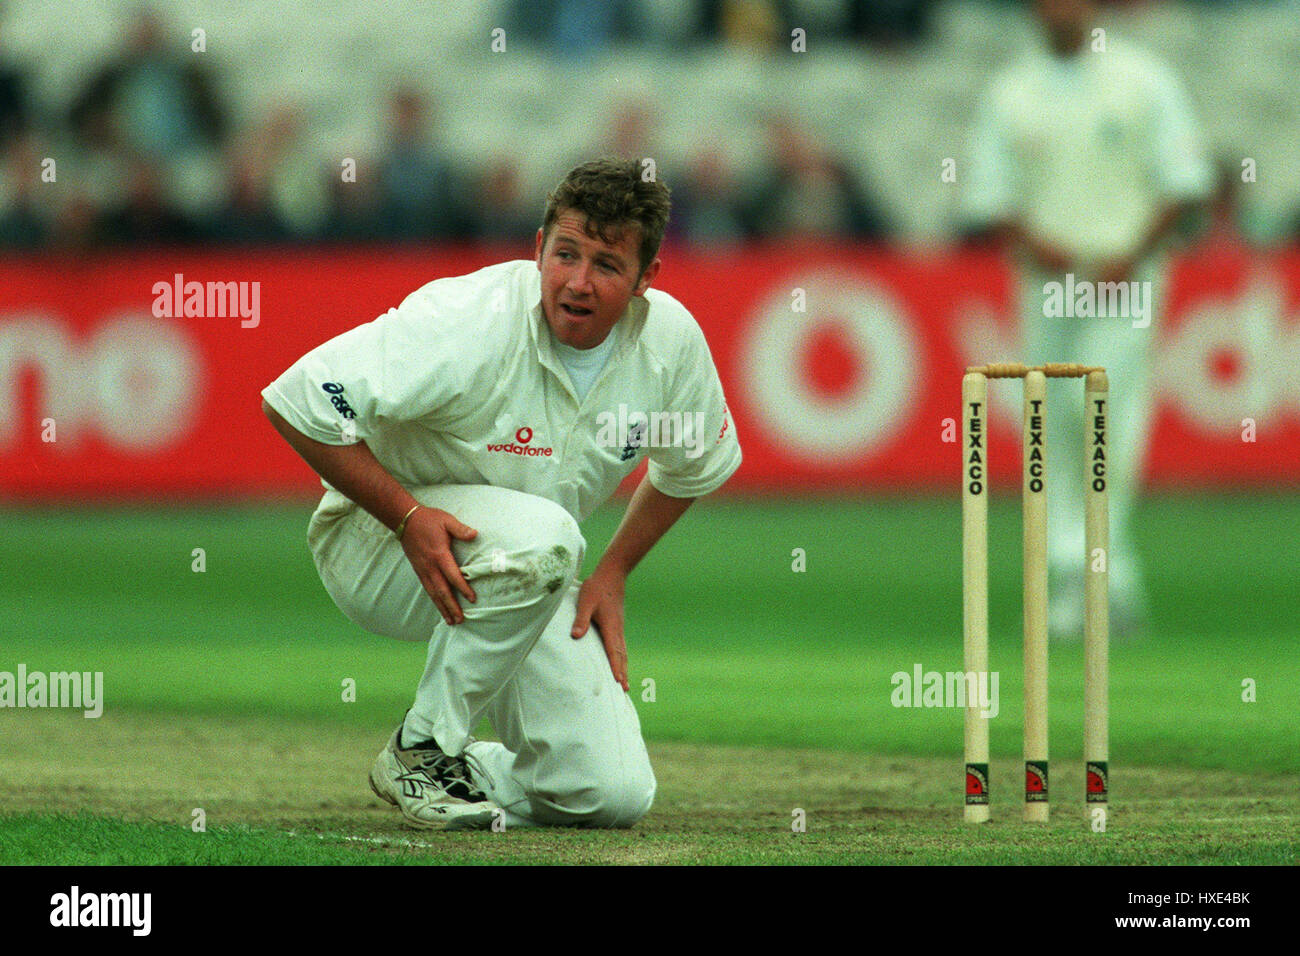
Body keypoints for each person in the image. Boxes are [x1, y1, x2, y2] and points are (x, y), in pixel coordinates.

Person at [261, 159, 742, 828]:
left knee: (609, 795)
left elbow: (693, 464)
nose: (577, 281)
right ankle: (422, 749)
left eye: (606, 265)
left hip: (527, 571)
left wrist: (613, 570)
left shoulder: (668, 344)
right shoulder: (469, 318)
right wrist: (405, 516)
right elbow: (298, 401)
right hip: (376, 544)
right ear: (538, 246)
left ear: (645, 280)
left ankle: (475, 773)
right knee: (549, 536)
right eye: (564, 253)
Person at [963, 0, 1212, 636]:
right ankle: (1093, 576)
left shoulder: (1144, 79)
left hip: (1125, 281)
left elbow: (1183, 184)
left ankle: (1090, 573)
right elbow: (991, 197)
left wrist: (1127, 257)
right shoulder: (1011, 92)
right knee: (1050, 418)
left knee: (1097, 411)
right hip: (1047, 284)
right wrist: (1042, 249)